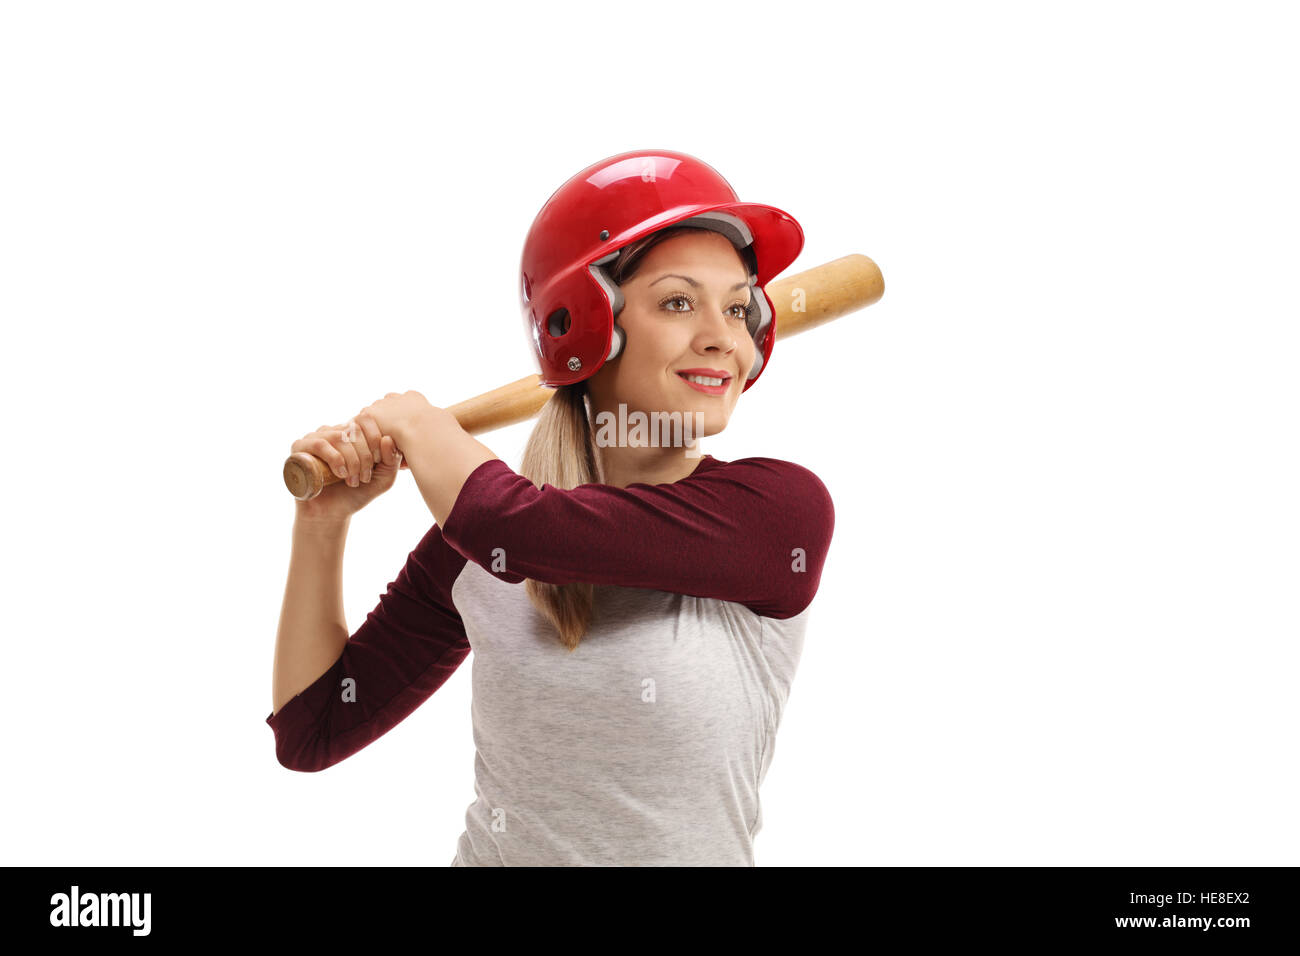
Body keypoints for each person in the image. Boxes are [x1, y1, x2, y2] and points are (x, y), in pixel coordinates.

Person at [266, 149, 836, 866]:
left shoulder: (777, 513)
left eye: (737, 305)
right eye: (679, 302)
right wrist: (324, 524)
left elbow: (515, 524)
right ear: (587, 323)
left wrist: (416, 421)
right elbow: (313, 729)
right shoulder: (475, 541)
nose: (725, 337)